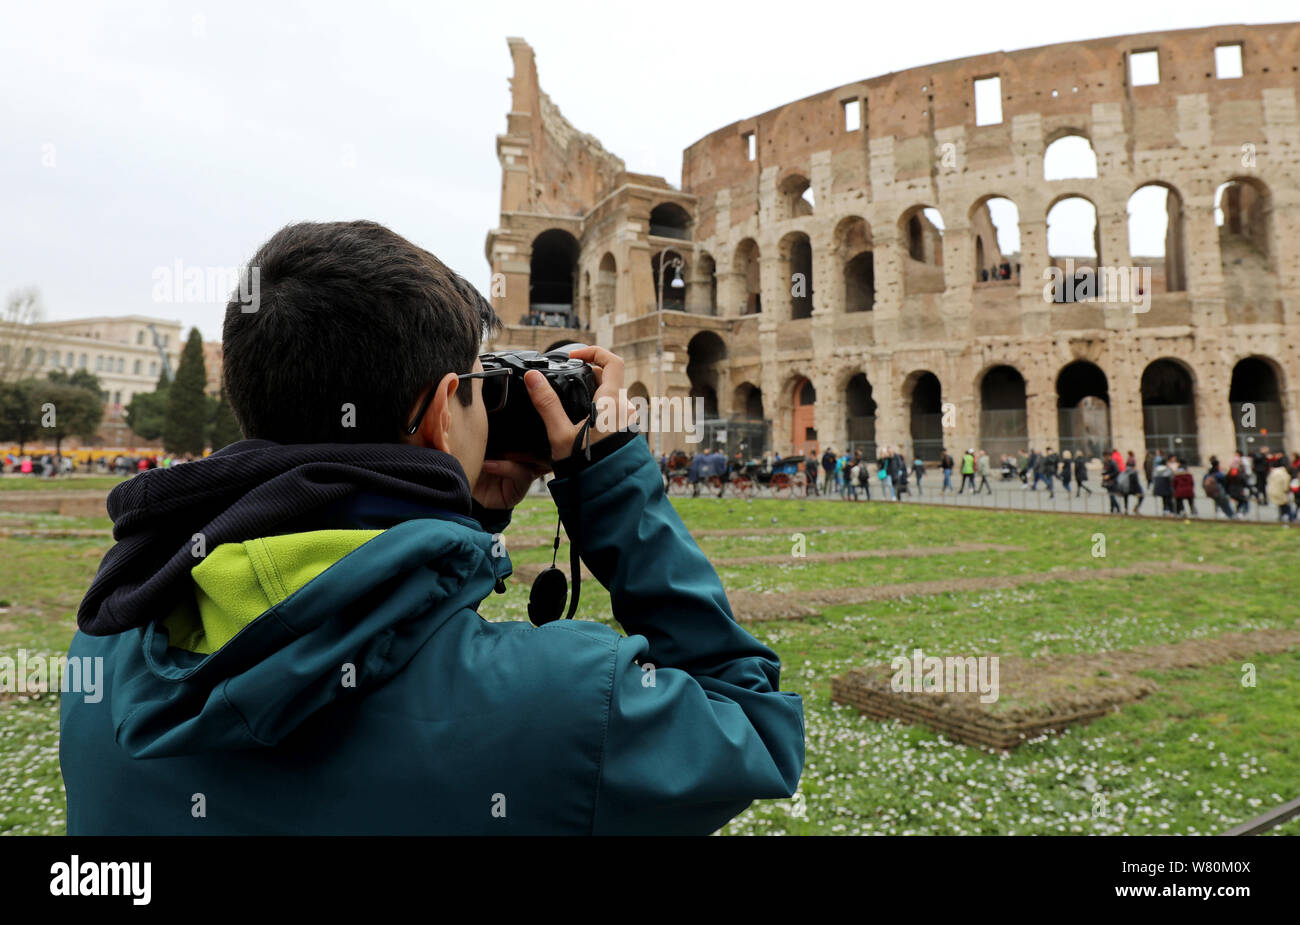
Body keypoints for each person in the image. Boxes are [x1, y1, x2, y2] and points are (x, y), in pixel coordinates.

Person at [61, 221, 804, 835]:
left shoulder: (111, 641)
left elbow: (353, 639)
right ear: (445, 408)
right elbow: (753, 725)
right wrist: (610, 480)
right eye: (481, 389)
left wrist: (459, 511)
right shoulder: (567, 705)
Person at [1265, 457, 1294, 523]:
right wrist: (1287, 490)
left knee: (1280, 505)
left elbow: (1268, 480)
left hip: (1271, 490)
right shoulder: (1285, 474)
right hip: (1280, 492)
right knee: (1285, 505)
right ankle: (1290, 518)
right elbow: (1286, 485)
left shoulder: (1274, 471)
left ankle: (1282, 517)